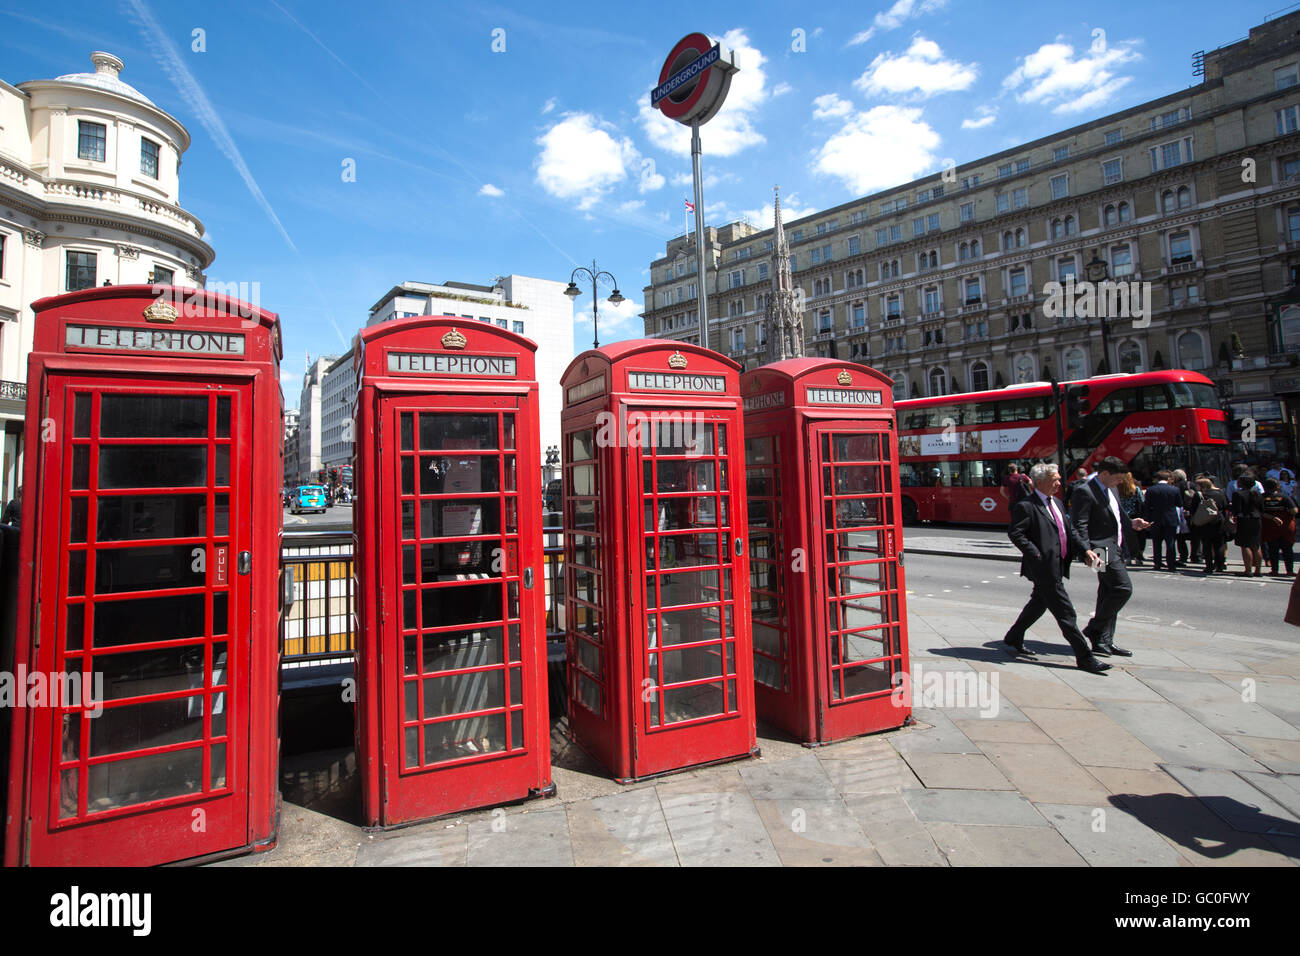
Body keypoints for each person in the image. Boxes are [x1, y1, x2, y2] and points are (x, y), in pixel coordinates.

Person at [1003, 463, 1110, 674]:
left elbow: (1069, 531)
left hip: (1059, 563)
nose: (1059, 484)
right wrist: (1035, 553)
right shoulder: (1026, 505)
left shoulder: (1058, 503)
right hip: (1043, 566)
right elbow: (1016, 533)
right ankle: (1085, 657)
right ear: (1040, 482)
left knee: (1039, 603)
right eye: (1055, 480)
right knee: (1066, 612)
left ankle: (1013, 636)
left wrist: (1086, 551)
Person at [1068, 457, 1152, 658]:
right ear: (1104, 474)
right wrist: (1085, 550)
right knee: (1122, 589)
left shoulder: (1111, 489)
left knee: (1108, 592)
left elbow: (1117, 515)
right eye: (1117, 478)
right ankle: (1094, 629)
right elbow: (1078, 524)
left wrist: (1133, 523)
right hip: (1098, 551)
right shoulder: (1085, 491)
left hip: (1116, 548)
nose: (1120, 482)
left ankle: (1104, 641)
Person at [1142, 470, 1183, 571]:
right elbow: (1179, 503)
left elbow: (1147, 506)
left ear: (1157, 479)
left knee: (1156, 542)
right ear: (1168, 478)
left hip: (1156, 518)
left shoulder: (1151, 490)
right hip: (1170, 518)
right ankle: (1171, 564)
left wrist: (1147, 519)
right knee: (1170, 542)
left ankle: (1157, 563)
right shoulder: (1174, 490)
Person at [1191, 476, 1230, 574]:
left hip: (1204, 522)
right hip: (1218, 521)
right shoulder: (1221, 494)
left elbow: (1193, 509)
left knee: (1207, 545)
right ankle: (1220, 565)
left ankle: (1209, 566)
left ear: (1202, 486)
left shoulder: (1200, 495)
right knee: (1219, 544)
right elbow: (1225, 506)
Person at [1230, 469, 1264, 576]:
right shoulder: (1257, 493)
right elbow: (1262, 509)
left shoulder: (1238, 494)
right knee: (1256, 545)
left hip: (1244, 519)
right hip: (1256, 519)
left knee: (1245, 545)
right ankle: (1258, 570)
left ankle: (1248, 570)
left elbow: (1236, 510)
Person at [1261, 477, 1297, 576]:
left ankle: (1274, 570)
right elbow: (1294, 510)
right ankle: (1289, 571)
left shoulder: (1262, 497)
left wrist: (1272, 517)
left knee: (1272, 549)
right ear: (1277, 486)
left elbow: (1260, 512)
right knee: (1287, 550)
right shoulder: (1284, 497)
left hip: (1269, 527)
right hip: (1285, 527)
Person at [1119, 475, 1147, 565]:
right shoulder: (1135, 489)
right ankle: (1138, 557)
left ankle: (1127, 557)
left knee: (1125, 537)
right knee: (1137, 538)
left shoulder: (1118, 489)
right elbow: (1141, 501)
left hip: (1122, 515)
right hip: (1134, 514)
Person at [1172, 469, 1196, 565]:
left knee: (1180, 537)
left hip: (1180, 513)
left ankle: (1183, 556)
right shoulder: (1192, 484)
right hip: (1192, 512)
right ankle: (1196, 555)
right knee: (1195, 536)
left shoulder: (1176, 487)